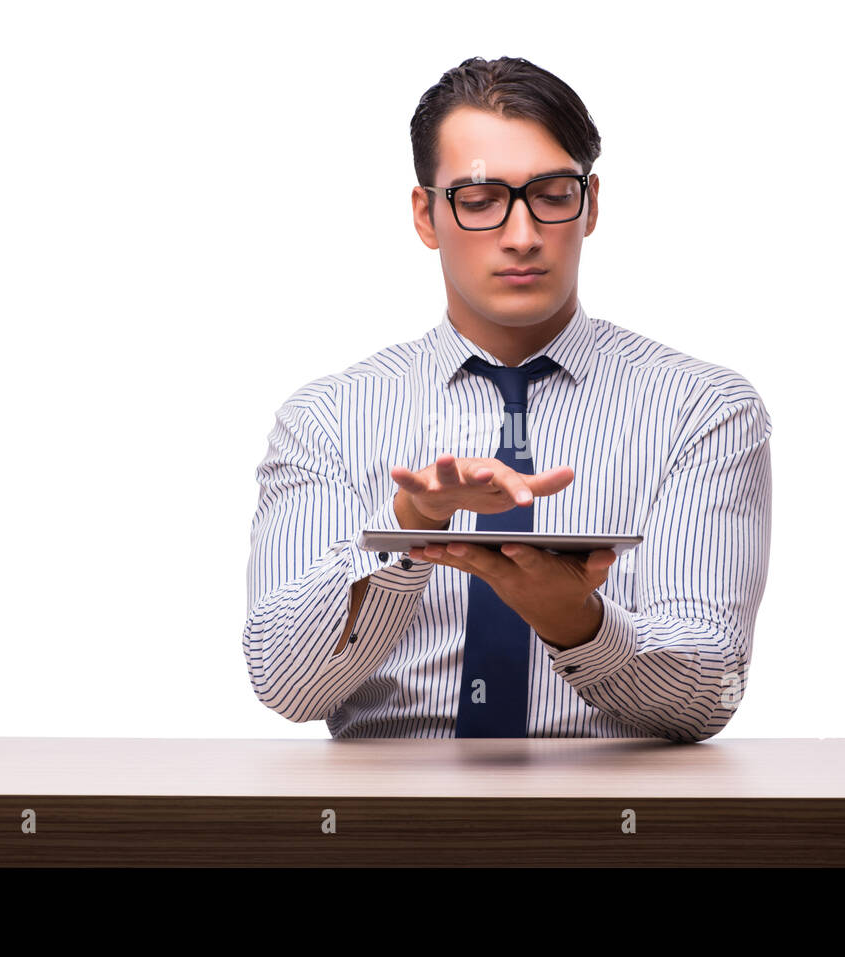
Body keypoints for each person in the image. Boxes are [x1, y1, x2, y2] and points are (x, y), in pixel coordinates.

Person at [243, 56, 772, 742]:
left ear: (592, 205)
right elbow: (286, 683)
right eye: (480, 198)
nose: (522, 235)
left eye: (552, 193)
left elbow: (709, 694)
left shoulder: (701, 409)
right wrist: (409, 524)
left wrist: (576, 621)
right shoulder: (326, 420)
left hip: (615, 823)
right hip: (387, 826)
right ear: (426, 215)